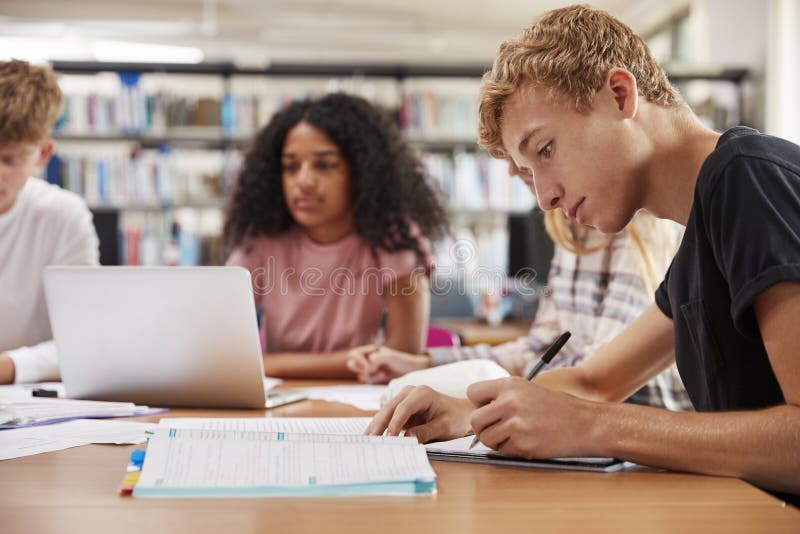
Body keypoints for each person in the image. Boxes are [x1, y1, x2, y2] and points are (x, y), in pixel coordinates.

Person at [366, 5, 800, 504]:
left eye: (545, 150)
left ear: (620, 95)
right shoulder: (701, 234)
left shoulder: (748, 179)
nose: (544, 197)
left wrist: (595, 427)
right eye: (528, 172)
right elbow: (595, 382)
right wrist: (468, 411)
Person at [348, 161, 690, 411]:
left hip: (643, 430)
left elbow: (603, 375)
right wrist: (425, 363)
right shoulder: (571, 226)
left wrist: (474, 405)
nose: (514, 170)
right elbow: (540, 349)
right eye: (508, 155)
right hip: (590, 425)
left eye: (538, 148)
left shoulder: (638, 226)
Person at [224, 92, 449, 378]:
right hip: (276, 407)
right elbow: (222, 356)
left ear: (363, 172)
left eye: (324, 164)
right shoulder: (260, 242)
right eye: (291, 166)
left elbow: (402, 361)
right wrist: (348, 361)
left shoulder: (395, 240)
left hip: (359, 408)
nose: (303, 181)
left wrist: (268, 365)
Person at [0, 59, 100, 384]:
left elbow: (87, 340)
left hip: (33, 405)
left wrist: (9, 367)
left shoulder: (64, 216)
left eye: (10, 159)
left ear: (43, 154)